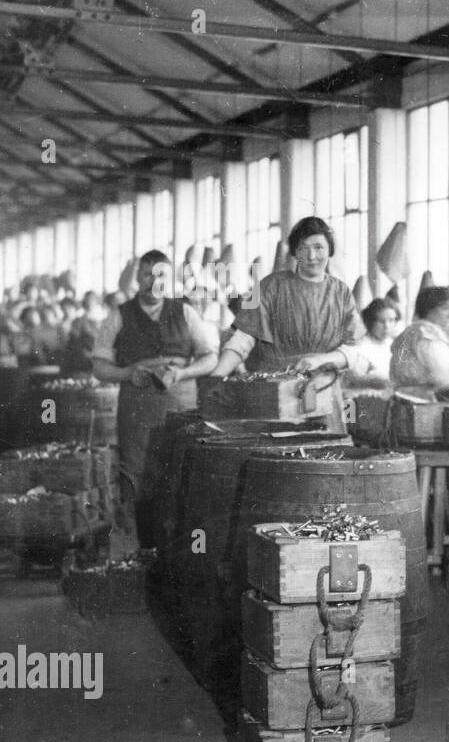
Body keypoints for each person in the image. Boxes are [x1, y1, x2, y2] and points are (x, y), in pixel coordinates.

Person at [91, 250, 218, 541]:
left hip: (180, 406)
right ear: (137, 277)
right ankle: (148, 547)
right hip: (137, 409)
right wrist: (127, 374)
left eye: (160, 274)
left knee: (180, 469)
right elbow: (99, 366)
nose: (153, 281)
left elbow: (210, 357)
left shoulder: (186, 312)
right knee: (138, 474)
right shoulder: (118, 316)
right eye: (147, 274)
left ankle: (181, 547)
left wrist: (182, 373)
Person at [209, 217, 363, 432]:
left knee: (327, 460)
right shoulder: (271, 286)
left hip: (324, 393)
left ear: (330, 250)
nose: (311, 256)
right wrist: (217, 376)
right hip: (275, 394)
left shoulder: (341, 292)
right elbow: (243, 338)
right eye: (303, 248)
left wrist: (322, 359)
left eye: (319, 247)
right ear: (294, 252)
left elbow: (353, 350)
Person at [389, 286, 449, 398]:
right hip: (422, 402)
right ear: (428, 309)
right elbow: (445, 377)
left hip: (407, 398)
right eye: (446, 308)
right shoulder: (426, 335)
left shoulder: (413, 331)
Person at [345, 298, 401, 388]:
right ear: (370, 322)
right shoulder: (360, 348)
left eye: (391, 320)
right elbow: (353, 382)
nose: (387, 326)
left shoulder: (395, 345)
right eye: (381, 321)